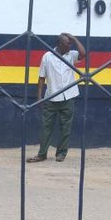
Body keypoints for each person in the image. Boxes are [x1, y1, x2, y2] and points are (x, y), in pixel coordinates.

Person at [26, 32, 86, 163]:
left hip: (68, 96)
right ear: (59, 43)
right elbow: (42, 77)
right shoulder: (47, 57)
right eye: (67, 43)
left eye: (70, 44)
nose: (70, 46)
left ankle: (61, 153)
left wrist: (74, 38)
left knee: (65, 128)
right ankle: (42, 154)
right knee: (46, 127)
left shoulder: (71, 55)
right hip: (51, 97)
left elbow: (83, 54)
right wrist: (39, 97)